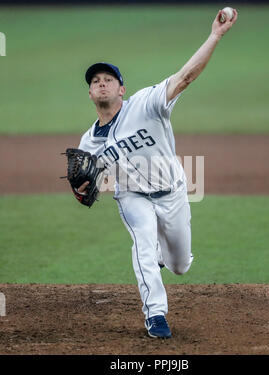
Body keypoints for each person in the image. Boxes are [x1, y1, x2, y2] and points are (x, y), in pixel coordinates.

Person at [77, 9, 238, 338]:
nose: (102, 84)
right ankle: (155, 314)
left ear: (122, 89)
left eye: (108, 79)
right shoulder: (88, 142)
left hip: (174, 191)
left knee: (180, 265)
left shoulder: (147, 103)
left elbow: (185, 76)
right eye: (95, 81)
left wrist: (216, 35)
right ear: (90, 94)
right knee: (143, 245)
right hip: (132, 197)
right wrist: (83, 185)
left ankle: (165, 259)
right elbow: (85, 179)